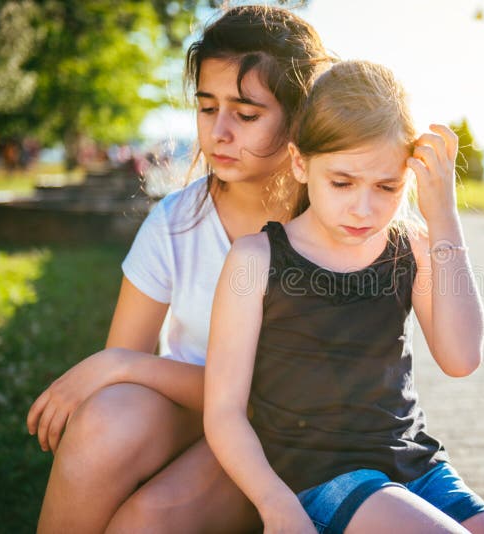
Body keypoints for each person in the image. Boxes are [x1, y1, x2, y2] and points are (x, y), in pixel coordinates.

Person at [25, 6, 331, 532]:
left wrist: (118, 364)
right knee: (102, 421)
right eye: (207, 108)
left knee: (143, 524)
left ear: (300, 115)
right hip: (191, 413)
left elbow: (275, 396)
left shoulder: (328, 226)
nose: (219, 131)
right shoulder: (175, 221)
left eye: (247, 113)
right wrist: (119, 368)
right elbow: (125, 371)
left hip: (283, 433)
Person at [204, 60, 484, 534]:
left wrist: (443, 219)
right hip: (320, 475)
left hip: (417, 466)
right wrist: (274, 503)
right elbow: (224, 411)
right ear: (301, 163)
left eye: (387, 187)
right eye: (343, 182)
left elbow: (461, 357)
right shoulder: (257, 258)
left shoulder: (410, 246)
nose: (364, 208)